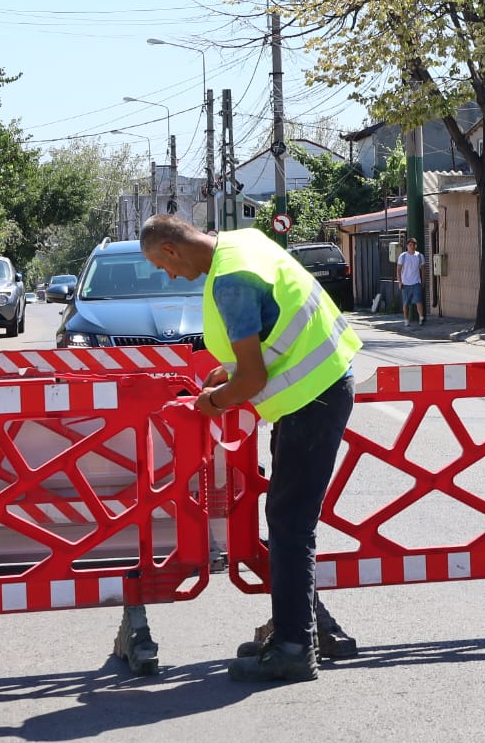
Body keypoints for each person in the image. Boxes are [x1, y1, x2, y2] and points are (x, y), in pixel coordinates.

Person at [139, 213, 359, 683]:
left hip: (311, 400)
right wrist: (230, 372)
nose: (169, 276)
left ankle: (294, 648)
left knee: (289, 523)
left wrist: (212, 401)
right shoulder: (242, 243)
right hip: (321, 388)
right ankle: (301, 629)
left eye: (163, 266)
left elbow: (254, 377)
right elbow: (267, 339)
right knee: (288, 519)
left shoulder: (231, 283)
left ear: (173, 250)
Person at [396, 236, 427, 326]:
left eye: (413, 245)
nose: (412, 247)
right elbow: (398, 269)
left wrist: (423, 281)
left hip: (416, 282)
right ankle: (406, 320)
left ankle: (421, 317)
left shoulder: (420, 256)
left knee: (419, 301)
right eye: (410, 245)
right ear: (407, 246)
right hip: (405, 283)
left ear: (415, 246)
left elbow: (423, 270)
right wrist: (400, 281)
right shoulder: (403, 256)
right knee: (406, 303)